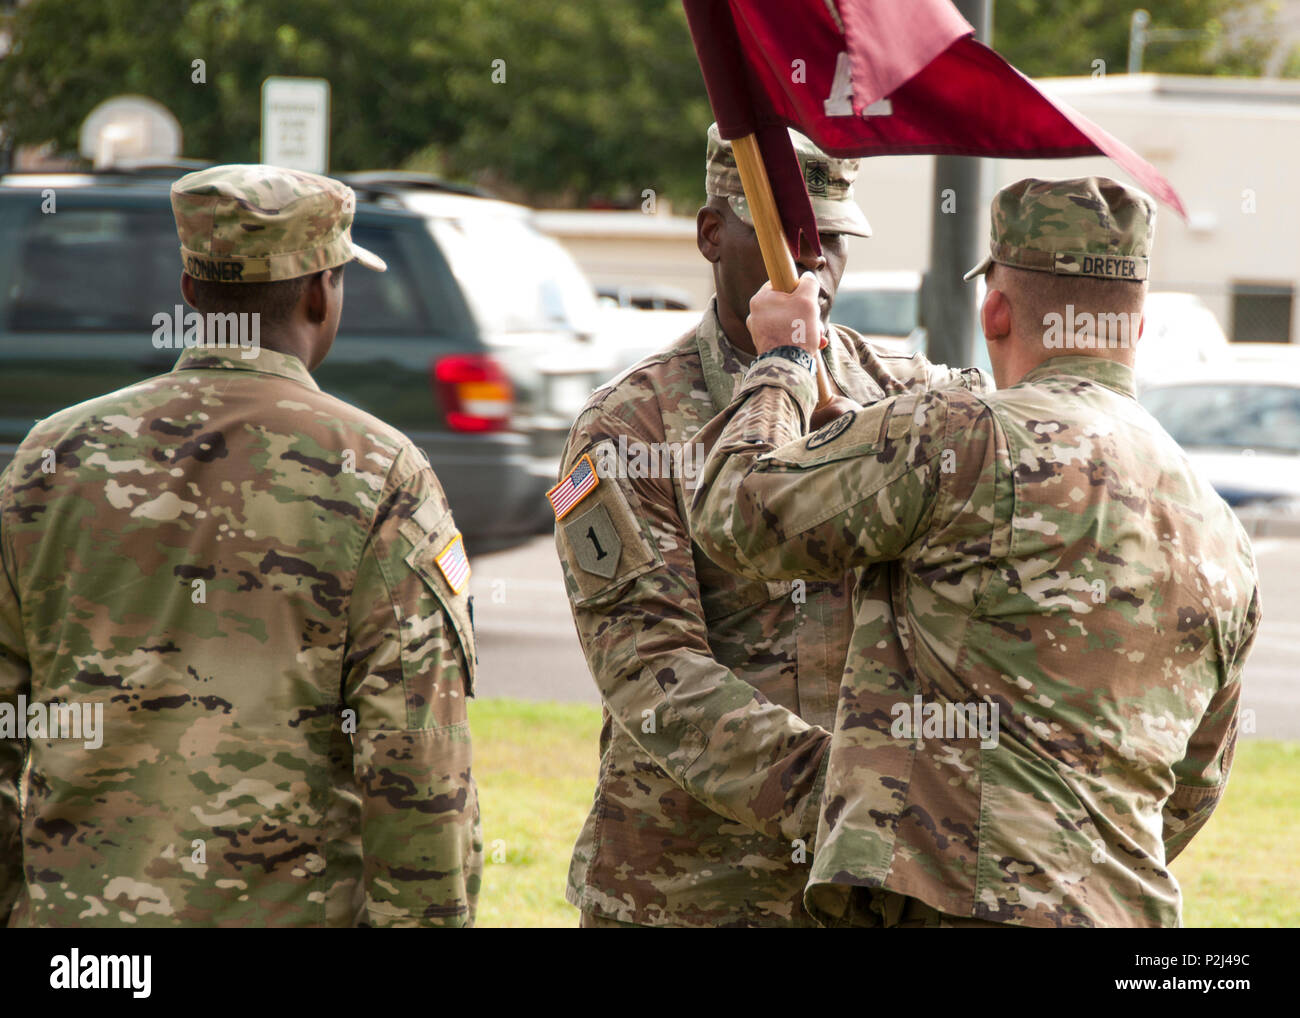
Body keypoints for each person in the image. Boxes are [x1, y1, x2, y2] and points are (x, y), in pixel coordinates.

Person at [689, 176, 1261, 928]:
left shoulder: (958, 433)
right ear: (1139, 326)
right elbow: (1193, 786)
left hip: (953, 899)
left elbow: (737, 511)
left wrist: (784, 365)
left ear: (994, 308)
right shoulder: (1217, 527)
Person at [0, 164, 482, 927]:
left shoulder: (48, 457)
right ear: (323, 292)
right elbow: (415, 759)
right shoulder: (380, 471)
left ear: (192, 293)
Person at [551, 124, 989, 927]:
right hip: (689, 888)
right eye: (786, 237)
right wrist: (853, 794)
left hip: (877, 890)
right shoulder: (629, 427)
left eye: (830, 239)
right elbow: (652, 674)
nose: (811, 263)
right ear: (711, 234)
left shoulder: (909, 398)